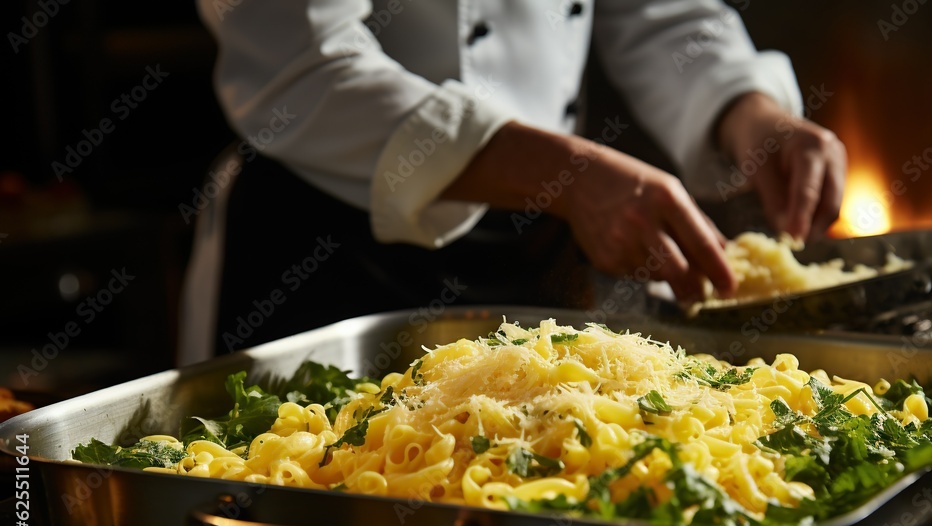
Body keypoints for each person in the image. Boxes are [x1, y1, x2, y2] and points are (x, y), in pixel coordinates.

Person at [178, 0, 845, 363]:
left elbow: (654, 11)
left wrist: (747, 107)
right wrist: (569, 177)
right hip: (326, 253)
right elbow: (298, 69)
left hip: (538, 247)